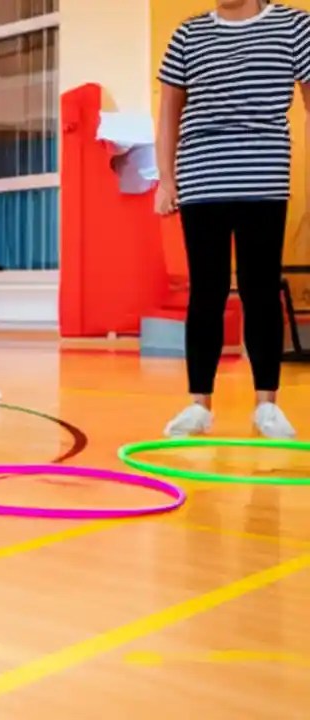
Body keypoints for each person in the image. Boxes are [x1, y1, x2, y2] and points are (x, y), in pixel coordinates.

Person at [155, 0, 302, 438]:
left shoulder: (294, 26)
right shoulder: (188, 34)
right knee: (207, 289)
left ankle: (267, 406)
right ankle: (199, 404)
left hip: (263, 176)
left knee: (260, 287)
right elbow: (169, 115)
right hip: (202, 177)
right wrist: (166, 179)